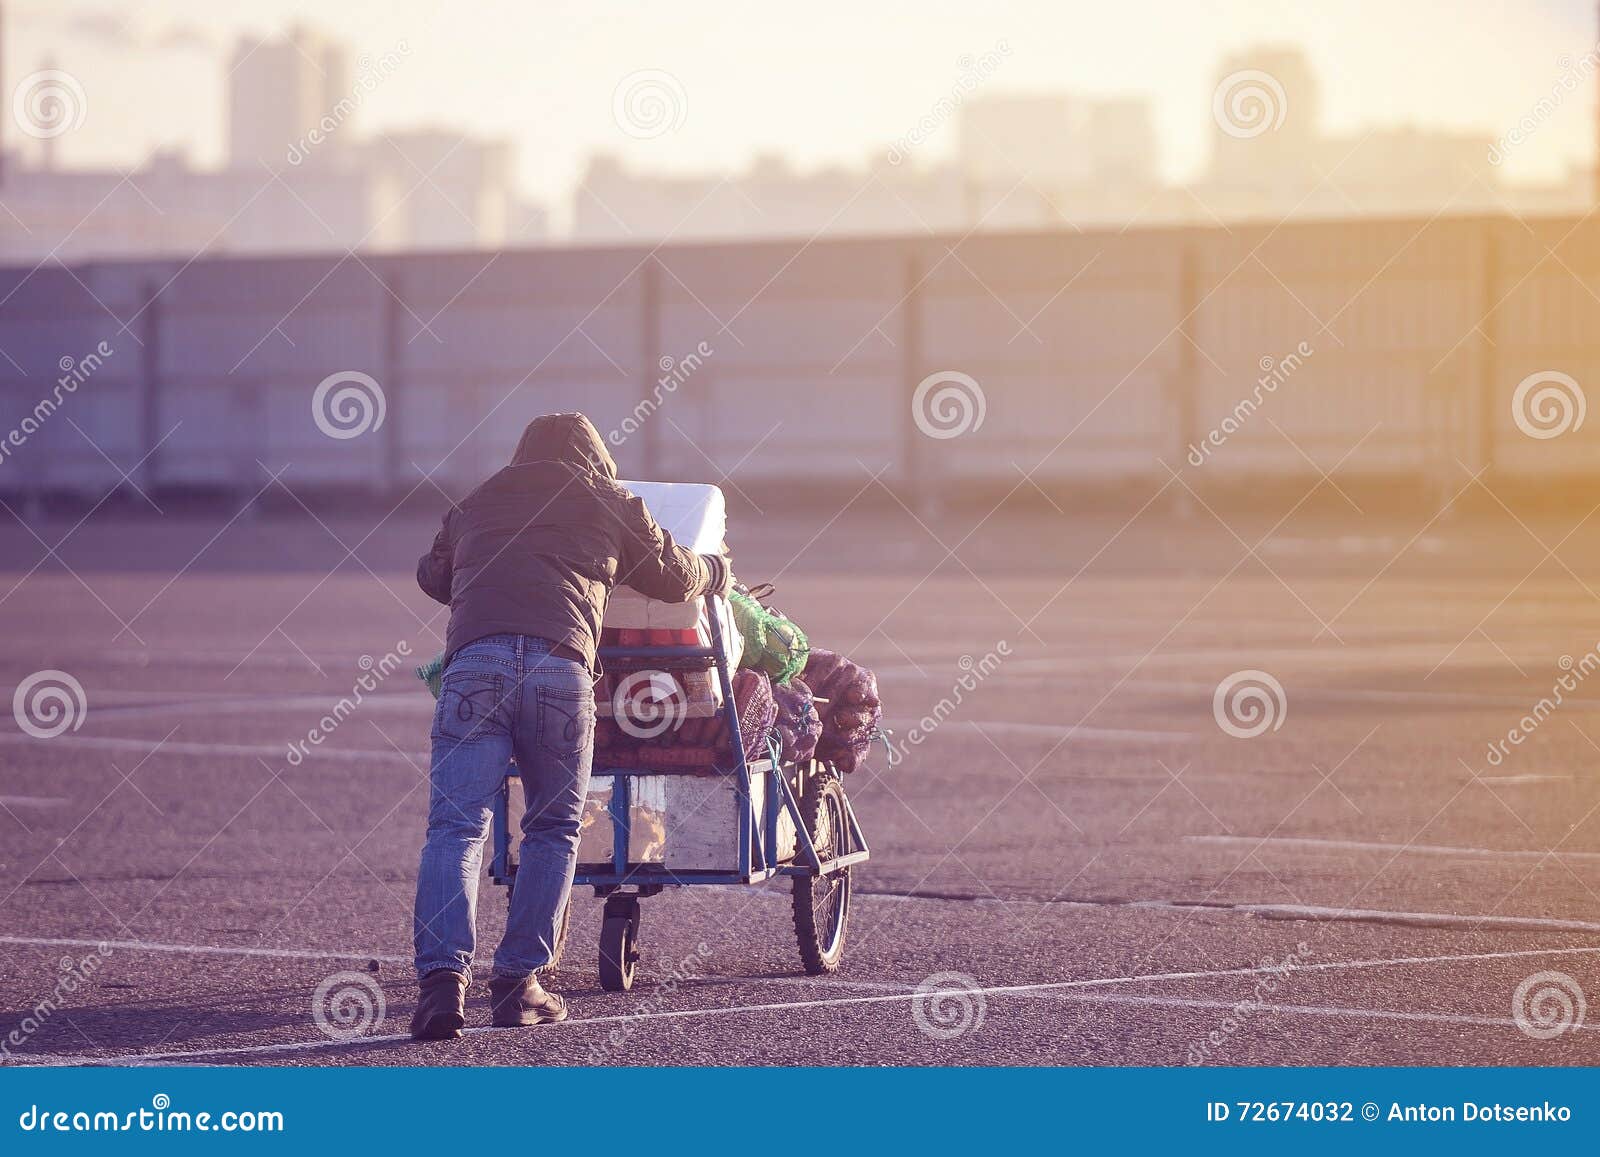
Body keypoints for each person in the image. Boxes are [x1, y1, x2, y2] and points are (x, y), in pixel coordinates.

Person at [409, 412, 730, 1040]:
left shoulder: (477, 500)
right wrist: (716, 570)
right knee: (552, 827)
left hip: (475, 668)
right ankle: (519, 984)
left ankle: (441, 987)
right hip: (561, 671)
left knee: (456, 827)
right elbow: (672, 578)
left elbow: (432, 577)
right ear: (595, 458)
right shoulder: (610, 501)